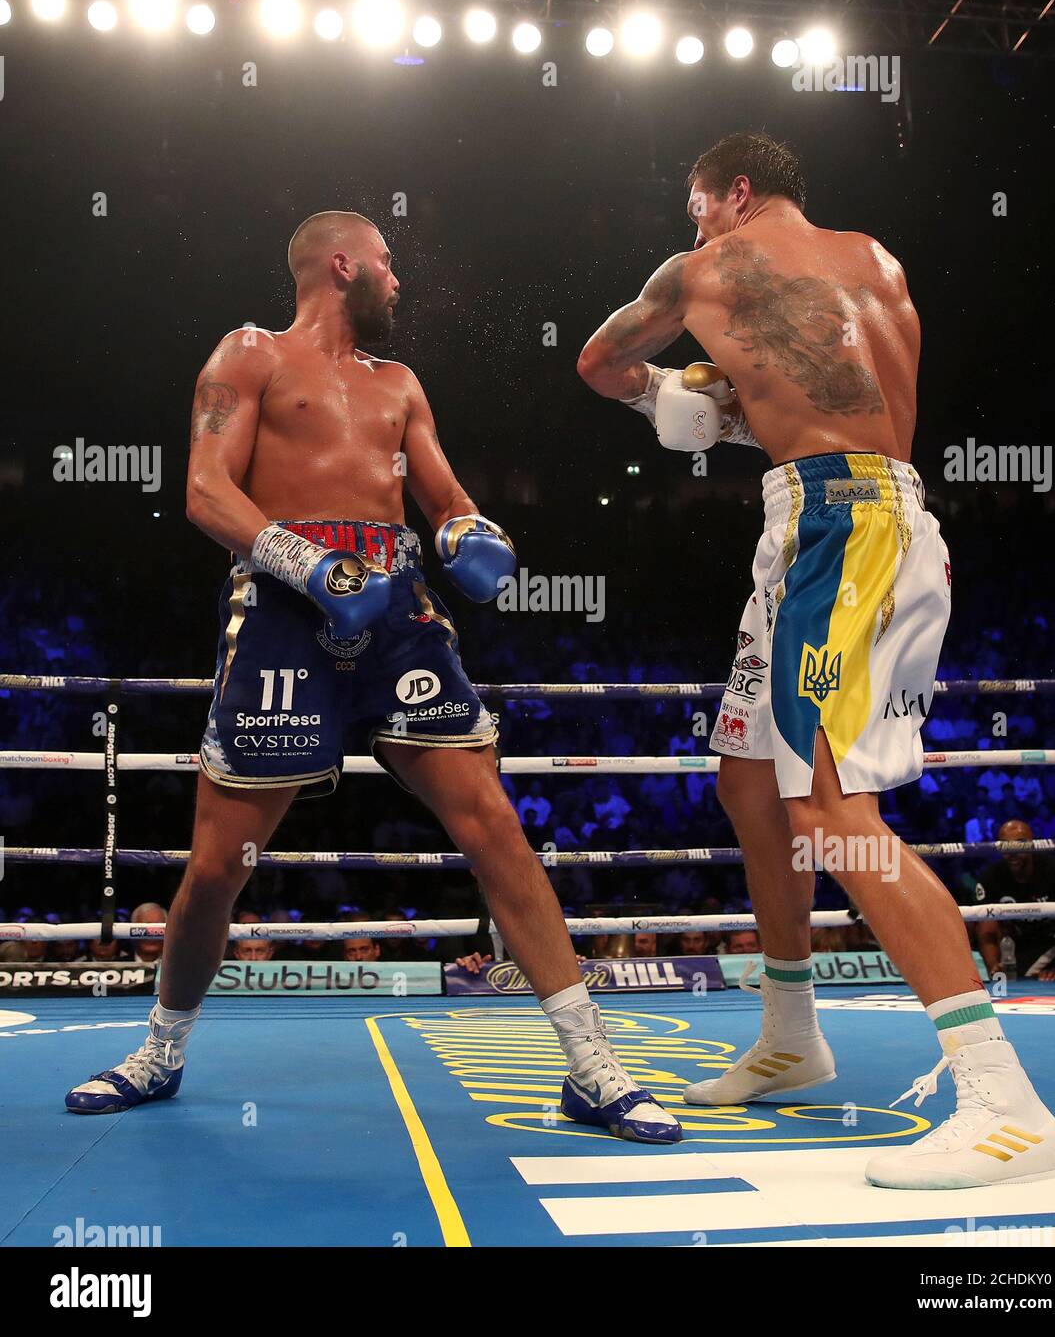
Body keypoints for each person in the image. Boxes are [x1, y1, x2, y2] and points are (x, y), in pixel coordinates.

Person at [65, 210, 679, 1145]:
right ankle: (160, 1050)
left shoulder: (400, 384)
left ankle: (591, 1067)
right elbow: (203, 489)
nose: (399, 283)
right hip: (283, 611)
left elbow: (445, 498)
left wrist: (471, 533)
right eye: (387, 266)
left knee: (496, 826)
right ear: (343, 265)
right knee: (217, 868)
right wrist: (308, 566)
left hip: (395, 609)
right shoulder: (251, 352)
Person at [577, 132, 1055, 1187]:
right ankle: (792, 1034)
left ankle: (1003, 1101)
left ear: (734, 192)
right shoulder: (876, 260)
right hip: (854, 512)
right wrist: (736, 410)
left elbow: (597, 362)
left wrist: (668, 398)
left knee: (833, 813)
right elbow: (858, 414)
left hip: (842, 537)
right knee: (750, 782)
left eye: (695, 203)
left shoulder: (703, 268)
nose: (692, 224)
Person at [974, 820, 1055, 980]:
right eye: (1005, 844)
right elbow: (986, 930)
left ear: (1032, 844)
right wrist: (994, 967)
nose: (1012, 851)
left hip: (1053, 944)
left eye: (1020, 843)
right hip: (1016, 949)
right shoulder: (991, 876)